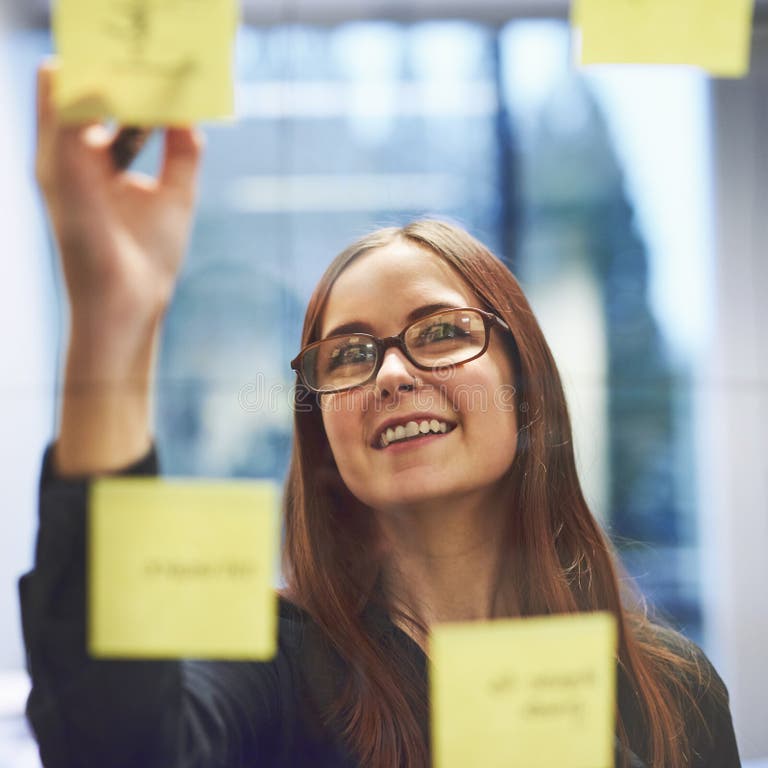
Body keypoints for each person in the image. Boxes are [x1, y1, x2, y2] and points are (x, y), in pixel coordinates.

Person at [19, 61, 741, 768]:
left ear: (525, 391)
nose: (392, 375)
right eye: (348, 355)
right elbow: (114, 747)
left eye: (442, 332)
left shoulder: (668, 690)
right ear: (323, 430)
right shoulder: (269, 663)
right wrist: (110, 321)